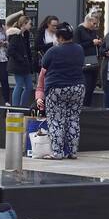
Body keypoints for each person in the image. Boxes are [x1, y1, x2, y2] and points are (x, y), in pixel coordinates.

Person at [34, 22, 85, 160]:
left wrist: (40, 93)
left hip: (56, 88)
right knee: (73, 118)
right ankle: (73, 151)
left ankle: (57, 152)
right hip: (77, 88)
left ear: (60, 37)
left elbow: (43, 68)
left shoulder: (53, 51)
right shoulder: (79, 49)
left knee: (56, 120)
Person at [6, 13, 36, 107]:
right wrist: (21, 59)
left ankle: (22, 106)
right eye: (29, 24)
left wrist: (28, 61)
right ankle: (16, 106)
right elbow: (10, 51)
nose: (31, 26)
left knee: (29, 86)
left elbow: (27, 50)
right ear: (23, 24)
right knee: (19, 84)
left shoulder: (24, 35)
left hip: (24, 65)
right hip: (18, 65)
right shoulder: (16, 35)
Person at [76, 8, 103, 108]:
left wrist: (98, 43)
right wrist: (92, 43)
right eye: (94, 23)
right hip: (84, 61)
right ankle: (82, 107)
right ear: (88, 20)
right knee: (85, 87)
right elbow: (77, 45)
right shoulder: (79, 30)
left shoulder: (93, 32)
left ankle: (88, 106)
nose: (95, 26)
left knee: (91, 87)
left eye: (97, 24)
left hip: (93, 61)